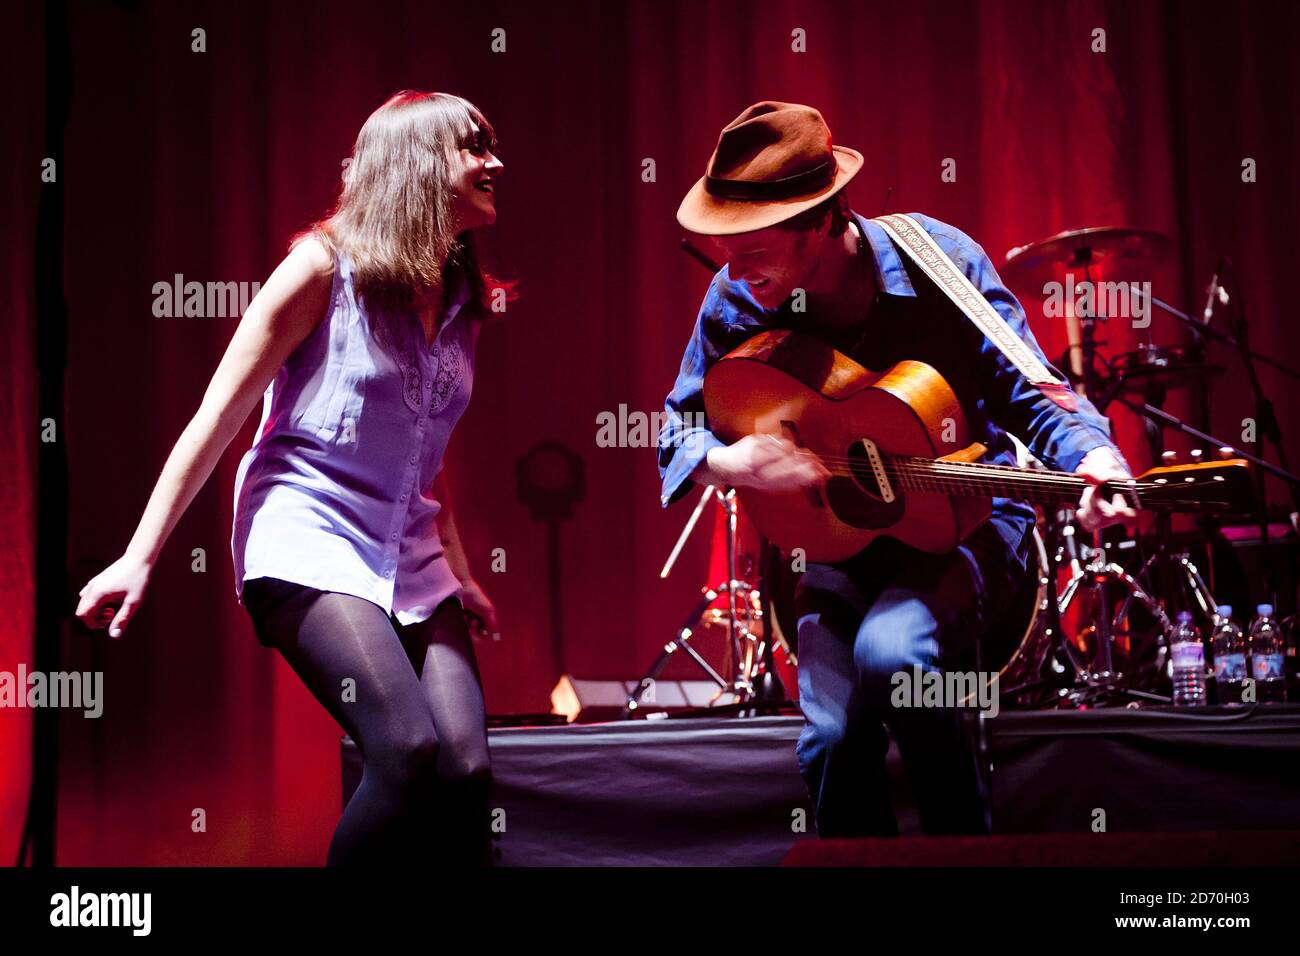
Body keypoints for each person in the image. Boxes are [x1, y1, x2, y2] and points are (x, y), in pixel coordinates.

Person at [657, 101, 1135, 837]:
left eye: (749, 243)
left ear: (818, 220)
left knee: (894, 654)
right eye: (724, 245)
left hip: (964, 524)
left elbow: (1027, 385)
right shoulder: (738, 298)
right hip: (836, 546)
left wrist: (1095, 457)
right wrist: (730, 461)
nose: (732, 266)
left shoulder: (937, 260)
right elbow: (679, 425)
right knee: (830, 740)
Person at [75, 90, 507, 866]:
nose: (494, 163)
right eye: (473, 147)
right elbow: (216, 418)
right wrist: (140, 554)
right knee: (405, 749)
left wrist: (463, 574)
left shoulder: (465, 297)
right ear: (414, 161)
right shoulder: (320, 268)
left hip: (408, 550)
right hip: (306, 531)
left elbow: (420, 454)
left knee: (468, 770)